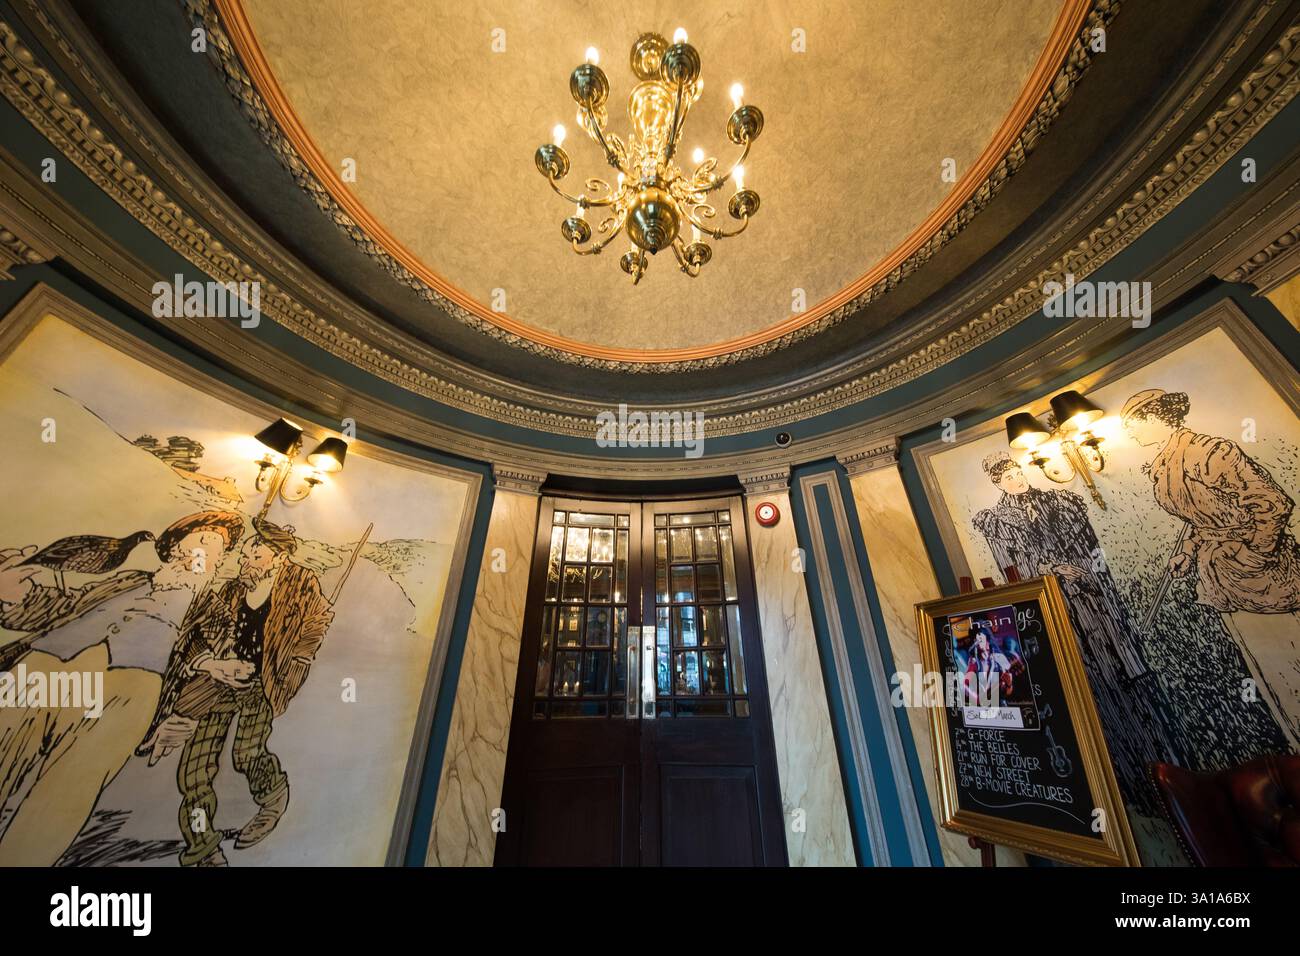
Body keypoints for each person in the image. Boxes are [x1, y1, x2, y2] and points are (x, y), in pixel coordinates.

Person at [0, 511, 244, 866]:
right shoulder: (128, 579)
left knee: (65, 795)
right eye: (205, 541)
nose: (213, 554)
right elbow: (62, 607)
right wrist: (14, 595)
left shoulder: (214, 611)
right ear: (175, 547)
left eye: (221, 550)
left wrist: (183, 716)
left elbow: (213, 663)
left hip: (129, 690)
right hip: (45, 665)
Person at [972, 452, 1184, 816]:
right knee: (1094, 693)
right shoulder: (997, 522)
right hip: (1058, 616)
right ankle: (1130, 790)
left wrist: (1089, 576)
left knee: (1132, 679)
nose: (1015, 478)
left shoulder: (1062, 501)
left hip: (1098, 607)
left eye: (1016, 471)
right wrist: (1053, 569)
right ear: (997, 483)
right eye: (1006, 476)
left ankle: (1176, 776)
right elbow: (1012, 572)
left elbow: (1092, 551)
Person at [139, 519, 334, 866]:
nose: (245, 556)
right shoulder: (230, 591)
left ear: (275, 556)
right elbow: (197, 635)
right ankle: (201, 847)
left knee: (246, 753)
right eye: (246, 551)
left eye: (254, 551)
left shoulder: (300, 583)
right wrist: (214, 664)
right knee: (194, 770)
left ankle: (273, 797)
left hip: (264, 683)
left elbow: (318, 620)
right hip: (220, 683)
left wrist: (298, 664)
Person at [1123, 388, 1300, 750]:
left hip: (1267, 577)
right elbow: (1203, 518)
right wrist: (1187, 551)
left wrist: (1255, 556)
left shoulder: (1209, 451)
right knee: (1268, 671)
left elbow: (1273, 505)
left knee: (1289, 659)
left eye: (1132, 425)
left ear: (1156, 417)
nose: (1130, 434)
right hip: (1224, 577)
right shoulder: (1166, 461)